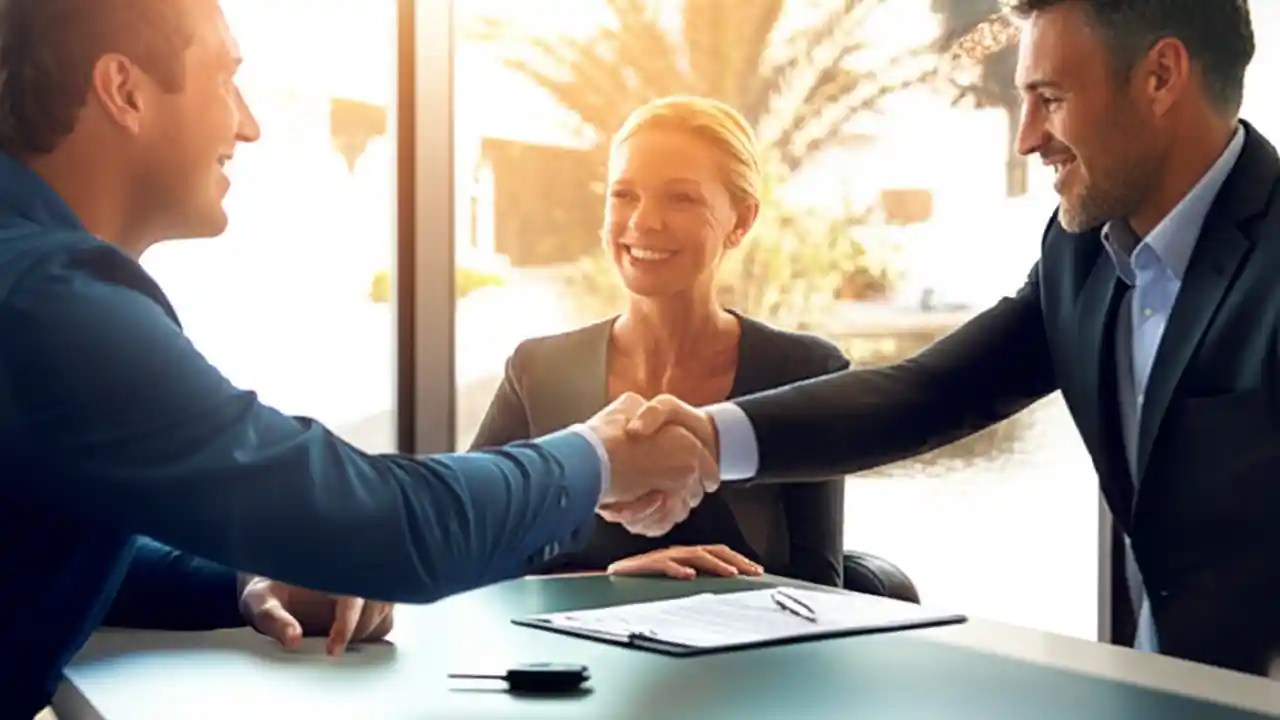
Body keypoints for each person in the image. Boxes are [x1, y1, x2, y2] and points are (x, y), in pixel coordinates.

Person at [0, 1, 710, 715]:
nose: (248, 124)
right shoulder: (51, 305)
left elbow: (55, 529)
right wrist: (601, 456)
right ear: (124, 91)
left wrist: (243, 579)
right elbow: (391, 522)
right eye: (224, 81)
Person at [626, 0, 1280, 677]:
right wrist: (705, 440)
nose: (1027, 138)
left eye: (1050, 98)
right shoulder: (1080, 253)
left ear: (1161, 77)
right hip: (1168, 691)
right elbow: (934, 392)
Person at [471, 96, 849, 586]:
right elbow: (466, 545)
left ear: (741, 221)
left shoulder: (806, 373)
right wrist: (610, 579)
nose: (643, 221)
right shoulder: (538, 371)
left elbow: (823, 586)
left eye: (681, 198)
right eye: (624, 194)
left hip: (749, 658)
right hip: (572, 662)